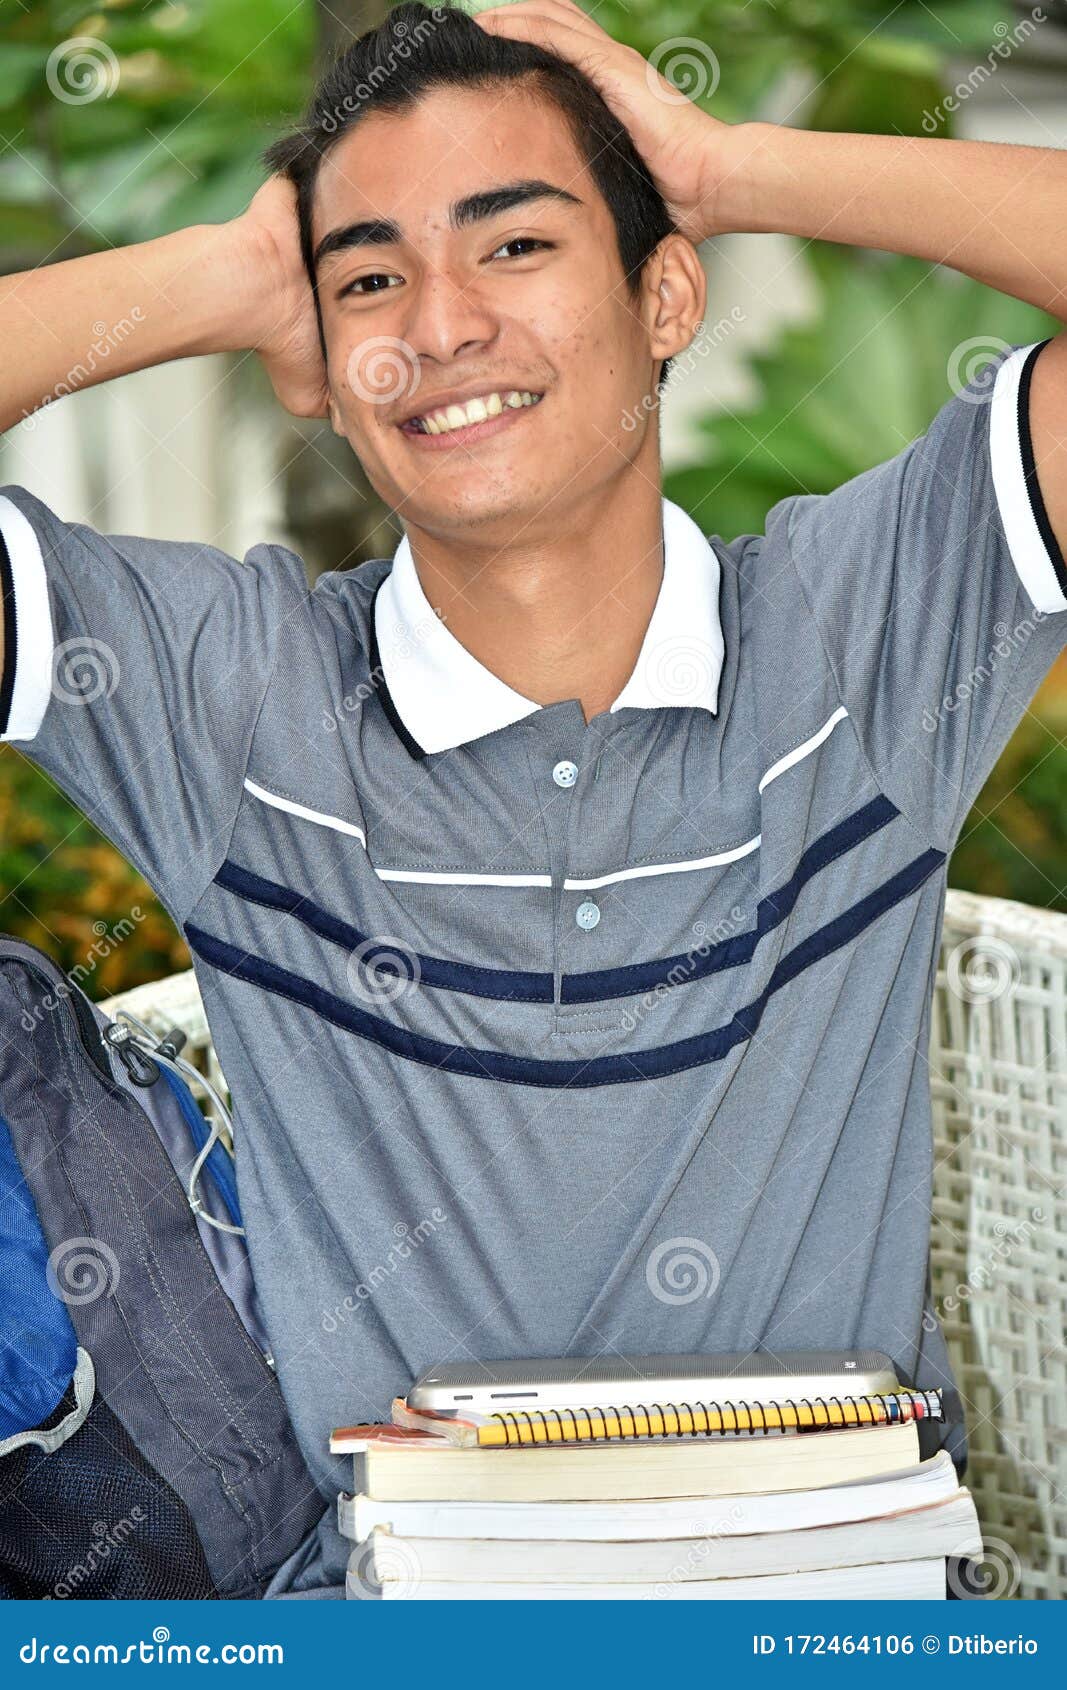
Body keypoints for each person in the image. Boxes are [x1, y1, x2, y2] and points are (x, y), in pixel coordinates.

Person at [1, 0, 1064, 1597]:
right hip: (413, 1632)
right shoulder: (227, 693)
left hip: (841, 1621)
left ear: (666, 293)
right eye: (370, 278)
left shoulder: (868, 629)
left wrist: (735, 168)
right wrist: (221, 275)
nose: (441, 324)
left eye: (514, 245)